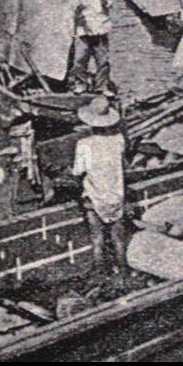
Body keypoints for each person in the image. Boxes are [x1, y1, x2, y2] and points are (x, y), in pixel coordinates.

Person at [72, 95, 127, 274]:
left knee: (97, 238)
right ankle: (123, 270)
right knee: (118, 238)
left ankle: (101, 272)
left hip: (95, 197)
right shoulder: (119, 139)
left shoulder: (84, 144)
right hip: (116, 195)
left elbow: (78, 171)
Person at [70, 0, 112, 92]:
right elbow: (72, 1)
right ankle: (80, 83)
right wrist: (78, 10)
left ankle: (102, 85)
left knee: (102, 59)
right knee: (80, 58)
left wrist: (107, 1)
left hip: (100, 23)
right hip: (83, 25)